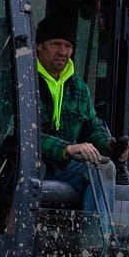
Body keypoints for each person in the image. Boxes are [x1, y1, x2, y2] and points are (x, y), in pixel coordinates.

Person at [32, 12, 115, 223]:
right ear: (39, 45)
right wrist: (67, 148)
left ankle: (95, 249)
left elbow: (92, 125)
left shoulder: (78, 87)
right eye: (56, 44)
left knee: (104, 168)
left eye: (68, 46)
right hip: (28, 163)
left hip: (64, 166)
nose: (63, 52)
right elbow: (19, 135)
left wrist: (108, 146)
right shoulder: (23, 79)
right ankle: (25, 238)